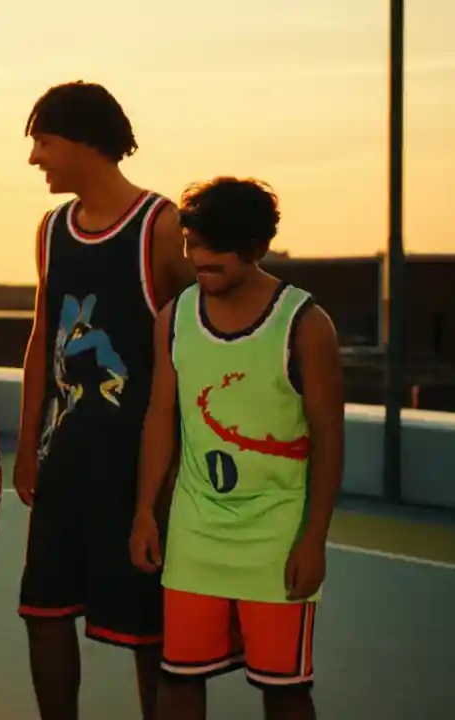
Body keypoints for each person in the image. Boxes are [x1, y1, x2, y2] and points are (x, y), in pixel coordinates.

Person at [12, 81, 195, 720]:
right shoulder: (52, 229)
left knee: (150, 629)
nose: (36, 157)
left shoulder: (162, 226)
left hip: (138, 464)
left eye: (45, 141)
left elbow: (204, 337)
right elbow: (42, 338)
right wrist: (29, 446)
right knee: (44, 609)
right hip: (65, 455)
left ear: (86, 141)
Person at [130, 177, 342, 720]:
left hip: (276, 534)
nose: (199, 257)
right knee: (178, 679)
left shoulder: (305, 325)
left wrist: (313, 539)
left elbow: (328, 438)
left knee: (285, 690)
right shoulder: (173, 319)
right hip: (196, 531)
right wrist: (145, 514)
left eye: (214, 245)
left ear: (256, 246)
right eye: (191, 244)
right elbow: (161, 416)